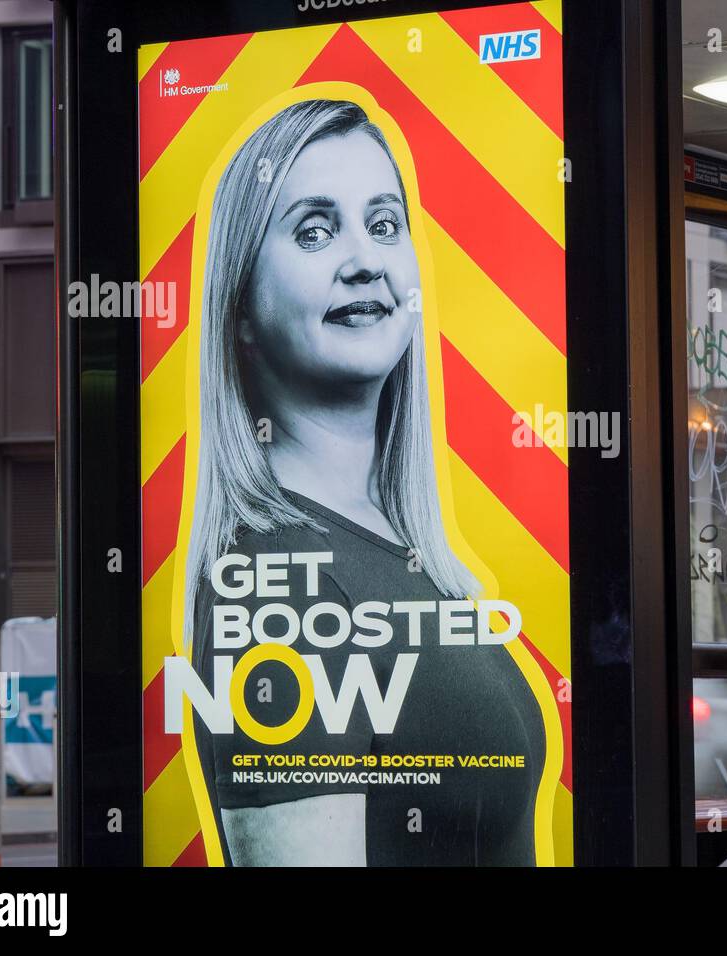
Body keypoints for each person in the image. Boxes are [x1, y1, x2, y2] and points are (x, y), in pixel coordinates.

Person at [183, 98, 544, 866]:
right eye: (314, 231)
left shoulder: (401, 546)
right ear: (239, 306)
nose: (365, 259)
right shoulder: (277, 583)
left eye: (384, 225)